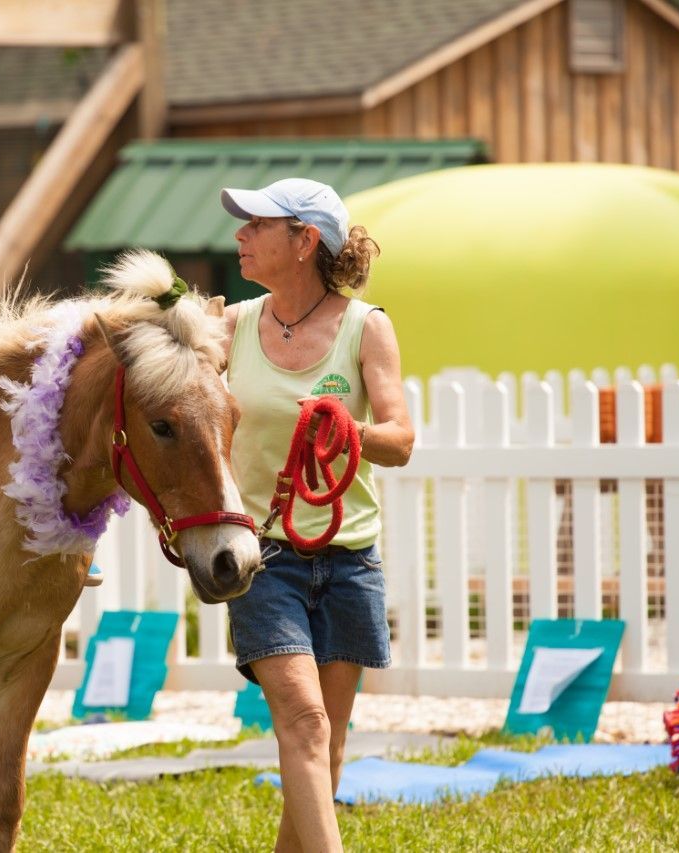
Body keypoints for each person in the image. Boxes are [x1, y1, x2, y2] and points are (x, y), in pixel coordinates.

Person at [219, 178, 414, 851]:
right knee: (304, 721)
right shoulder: (232, 326)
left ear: (304, 241)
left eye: (256, 224)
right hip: (264, 558)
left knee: (324, 747)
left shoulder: (367, 327)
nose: (239, 235)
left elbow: (401, 440)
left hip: (349, 559)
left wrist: (345, 428)